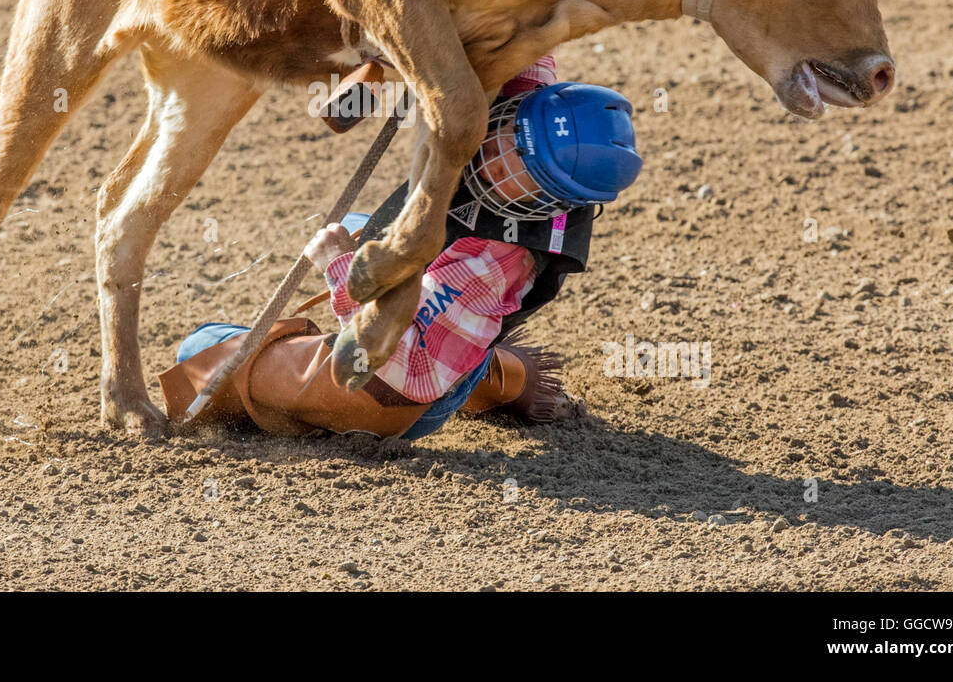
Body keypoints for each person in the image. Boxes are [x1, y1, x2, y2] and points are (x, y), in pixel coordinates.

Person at [158, 56, 642, 440]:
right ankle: (501, 374)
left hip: (404, 394)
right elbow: (509, 26)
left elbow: (399, 370)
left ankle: (500, 378)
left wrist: (341, 268)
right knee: (398, 271)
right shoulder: (524, 105)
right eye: (510, 136)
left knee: (200, 346)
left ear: (553, 202)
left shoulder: (490, 263)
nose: (498, 160)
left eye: (523, 173)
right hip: (452, 334)